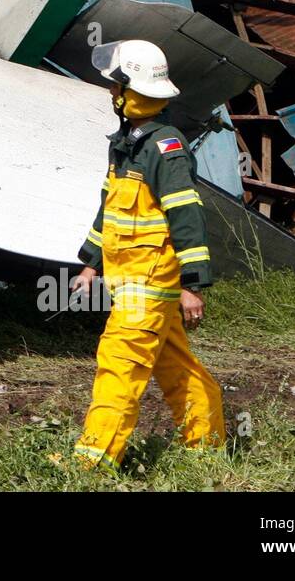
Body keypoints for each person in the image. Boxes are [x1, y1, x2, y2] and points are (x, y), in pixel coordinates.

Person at [70, 39, 225, 471]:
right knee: (176, 365)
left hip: (150, 285)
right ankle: (207, 445)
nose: (110, 94)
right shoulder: (125, 145)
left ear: (128, 92)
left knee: (119, 364)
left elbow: (186, 215)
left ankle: (92, 461)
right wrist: (90, 264)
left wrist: (192, 285)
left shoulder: (165, 148)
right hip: (128, 281)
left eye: (114, 87)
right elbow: (111, 211)